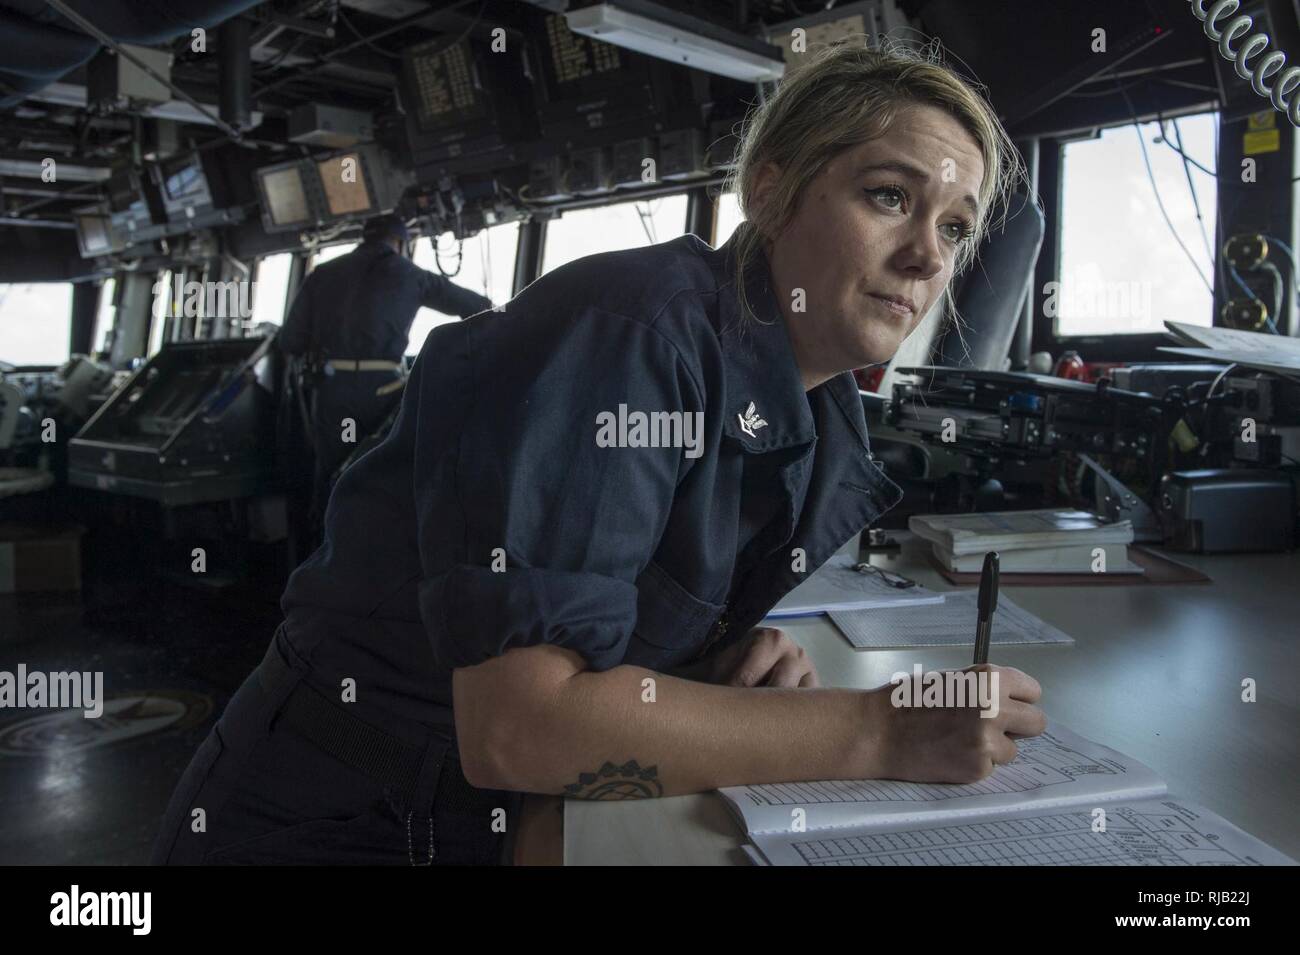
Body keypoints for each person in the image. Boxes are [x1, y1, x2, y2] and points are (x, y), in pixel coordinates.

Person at [153, 38, 1045, 867]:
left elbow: (589, 644)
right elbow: (520, 725)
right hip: (330, 814)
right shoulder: (628, 337)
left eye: (957, 227)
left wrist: (700, 674)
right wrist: (878, 729)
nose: (928, 255)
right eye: (889, 196)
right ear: (772, 193)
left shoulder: (822, 410)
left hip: (485, 814)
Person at [277, 214, 492, 546]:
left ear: (365, 237)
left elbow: (290, 341)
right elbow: (479, 308)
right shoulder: (410, 275)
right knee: (381, 474)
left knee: (330, 475)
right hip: (383, 393)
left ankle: (321, 560)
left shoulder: (322, 274)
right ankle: (374, 558)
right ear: (401, 243)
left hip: (332, 393)